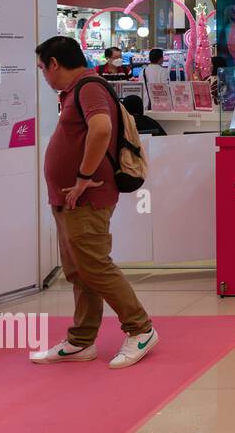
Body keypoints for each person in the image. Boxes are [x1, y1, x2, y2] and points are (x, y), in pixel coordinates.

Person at [28, 36, 159, 369]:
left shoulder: (88, 87)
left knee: (95, 266)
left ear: (55, 63)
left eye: (43, 68)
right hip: (69, 198)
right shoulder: (77, 91)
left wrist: (84, 177)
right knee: (79, 271)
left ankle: (140, 328)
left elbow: (101, 129)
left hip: (87, 197)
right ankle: (81, 339)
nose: (43, 76)